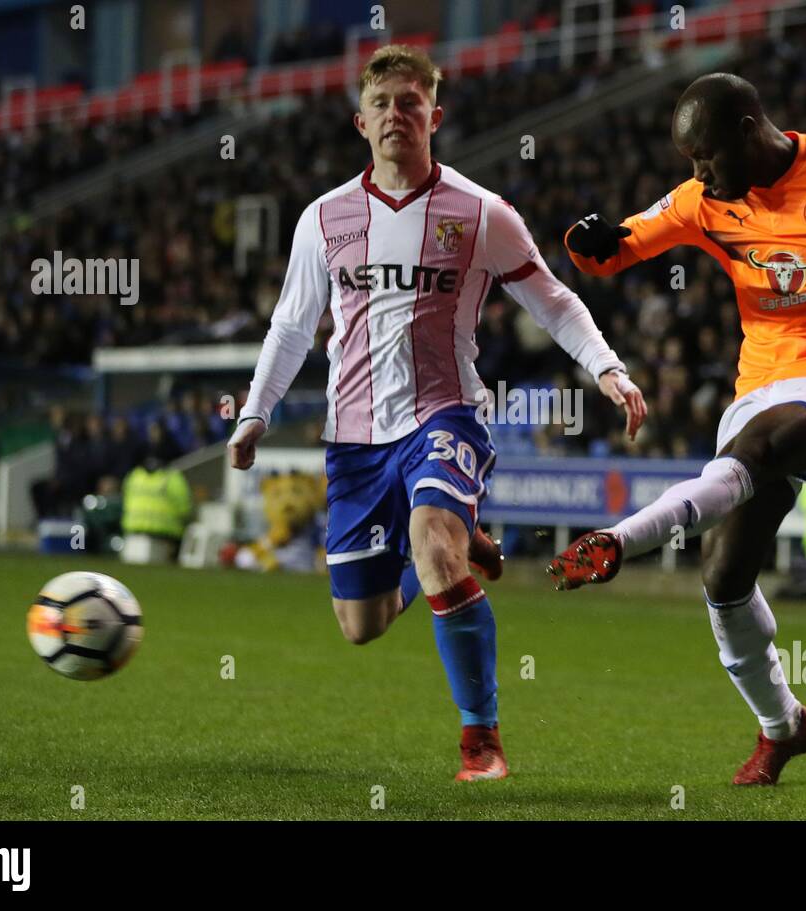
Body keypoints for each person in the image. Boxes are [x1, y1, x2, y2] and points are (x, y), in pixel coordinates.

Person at [227, 45, 647, 781]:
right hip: (354, 438)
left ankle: (480, 741)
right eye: (383, 103)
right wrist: (255, 413)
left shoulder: (481, 214)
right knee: (362, 624)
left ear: (435, 116)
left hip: (444, 416)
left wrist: (606, 367)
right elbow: (292, 327)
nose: (397, 114)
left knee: (429, 539)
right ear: (361, 122)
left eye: (410, 102)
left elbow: (551, 298)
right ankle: (459, 545)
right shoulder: (322, 219)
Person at [547, 73, 806, 785]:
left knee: (755, 450)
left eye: (705, 156)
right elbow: (619, 250)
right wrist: (587, 242)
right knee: (725, 576)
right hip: (761, 382)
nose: (697, 173)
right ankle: (783, 726)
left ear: (748, 129)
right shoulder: (705, 201)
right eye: (688, 162)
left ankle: (621, 539)